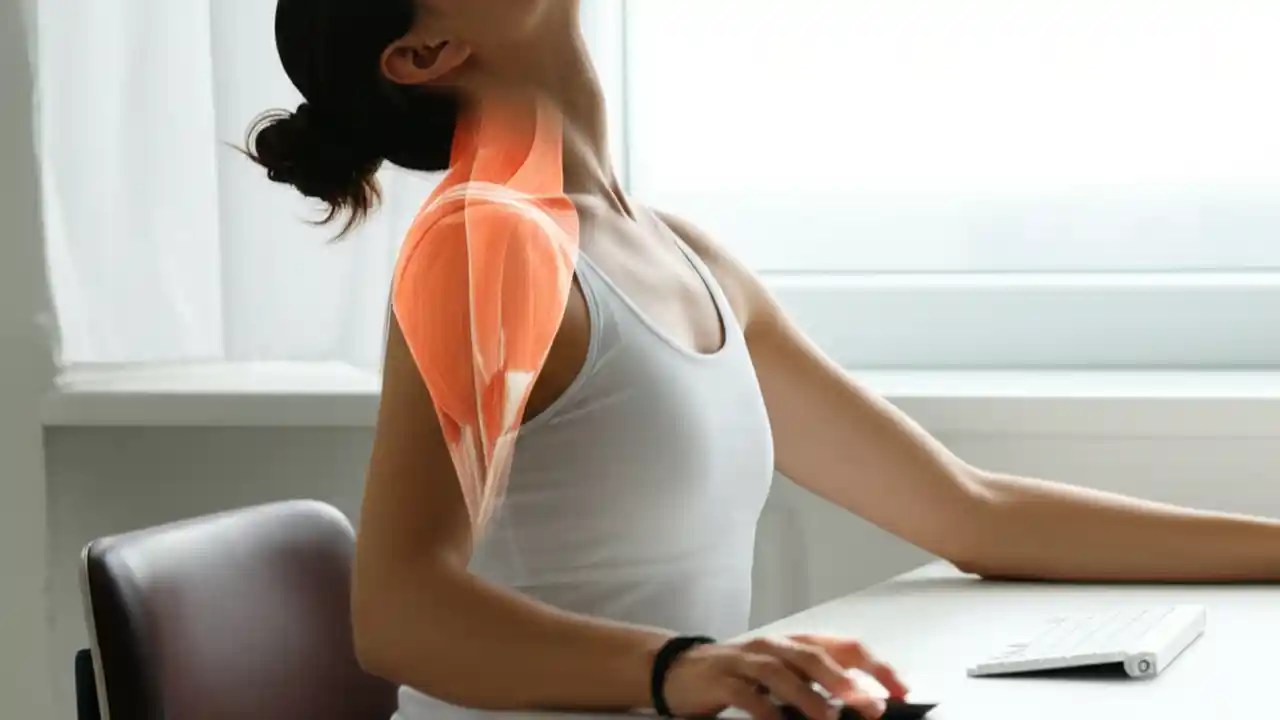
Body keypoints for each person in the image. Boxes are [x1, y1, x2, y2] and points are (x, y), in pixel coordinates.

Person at [246, 2, 1280, 719]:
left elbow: (970, 512)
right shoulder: (484, 241)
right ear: (424, 54)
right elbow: (398, 611)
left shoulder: (680, 254)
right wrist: (680, 671)